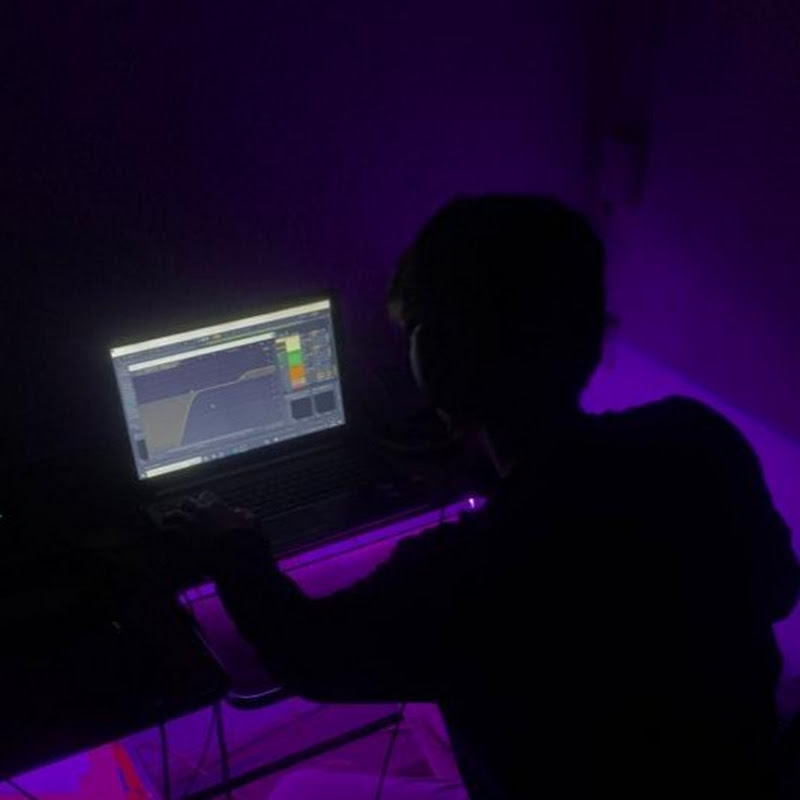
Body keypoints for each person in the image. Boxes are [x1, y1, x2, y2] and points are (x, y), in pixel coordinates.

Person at [175, 195, 799, 798]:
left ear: (433, 362)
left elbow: (304, 654)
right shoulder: (697, 438)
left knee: (298, 787)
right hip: (733, 776)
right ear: (592, 334)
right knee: (433, 712)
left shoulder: (465, 570)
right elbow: (777, 590)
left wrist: (231, 541)